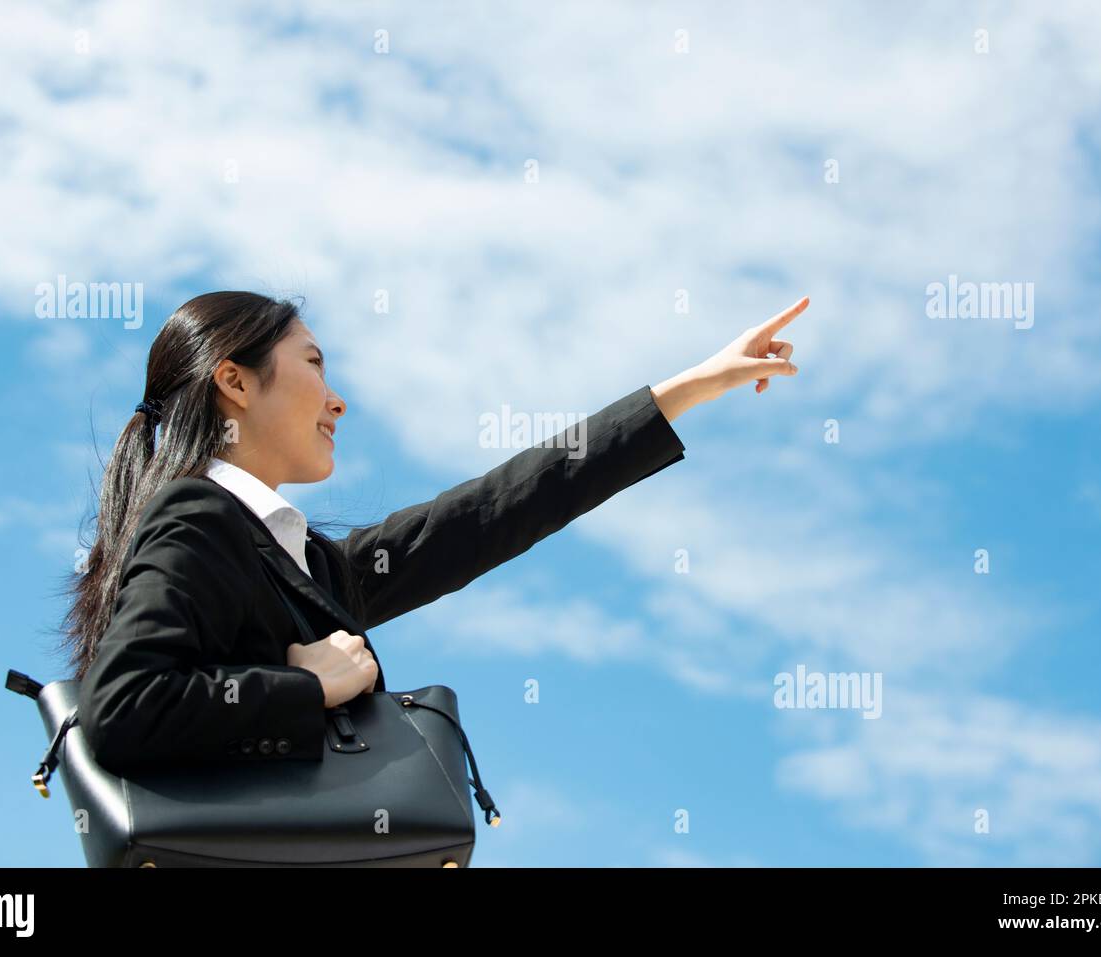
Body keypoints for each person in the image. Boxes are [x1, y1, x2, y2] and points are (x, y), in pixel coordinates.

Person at [60, 290, 807, 775]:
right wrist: (305, 685)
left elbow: (493, 511)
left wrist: (689, 388)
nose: (338, 399)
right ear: (236, 381)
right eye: (315, 363)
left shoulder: (304, 562)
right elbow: (122, 706)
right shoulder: (198, 518)